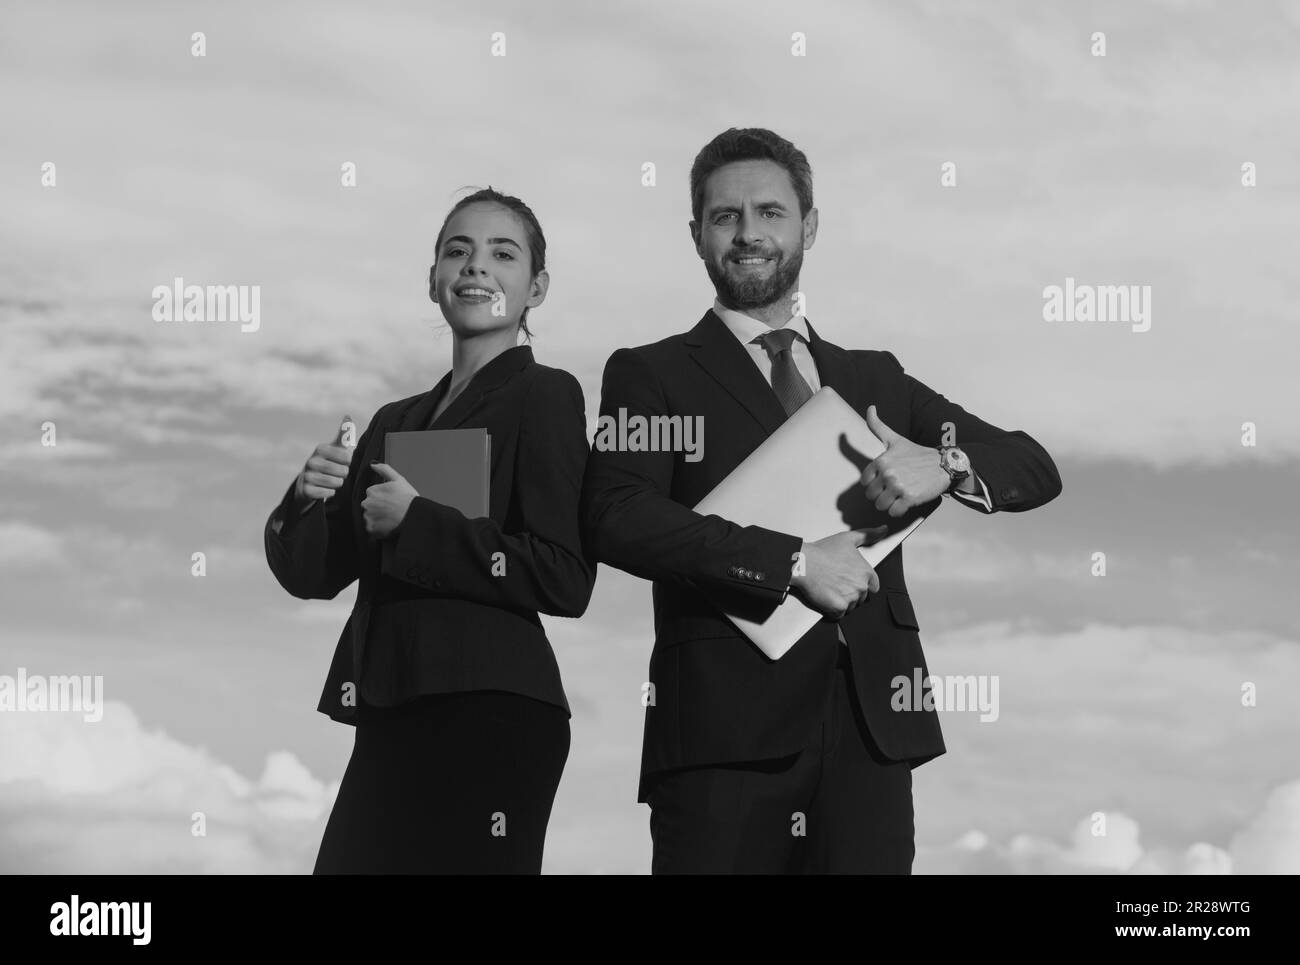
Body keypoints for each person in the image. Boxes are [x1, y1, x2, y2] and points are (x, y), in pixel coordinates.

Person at [580, 128, 1063, 874]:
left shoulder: (877, 379)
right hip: (721, 737)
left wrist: (946, 463)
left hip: (871, 733)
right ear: (696, 236)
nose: (749, 234)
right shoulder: (650, 375)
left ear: (808, 225)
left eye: (770, 213)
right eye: (725, 217)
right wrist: (793, 561)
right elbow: (615, 512)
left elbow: (1032, 465)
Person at [264, 188, 594, 874]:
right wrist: (303, 498)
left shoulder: (546, 395)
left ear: (535, 287)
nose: (476, 267)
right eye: (457, 251)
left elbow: (565, 573)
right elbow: (316, 573)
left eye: (502, 253)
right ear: (434, 279)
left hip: (493, 712)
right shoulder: (395, 420)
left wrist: (419, 521)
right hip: (392, 712)